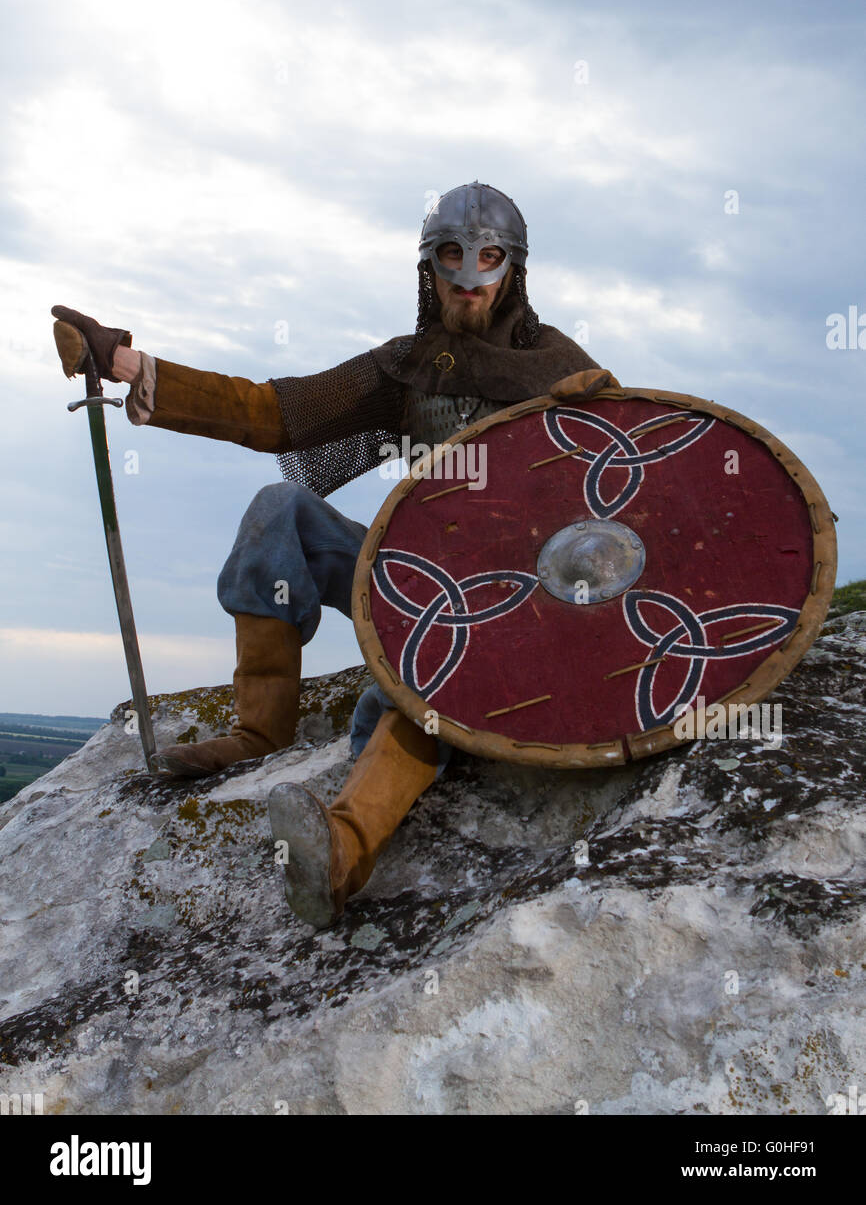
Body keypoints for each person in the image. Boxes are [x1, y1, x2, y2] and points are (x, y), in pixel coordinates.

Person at [52, 182, 617, 927]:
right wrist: (123, 362)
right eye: (452, 257)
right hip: (411, 574)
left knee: (419, 686)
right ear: (429, 267)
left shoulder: (563, 370)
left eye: (488, 258)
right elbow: (273, 411)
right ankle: (262, 730)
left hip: (510, 613)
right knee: (276, 510)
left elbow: (636, 481)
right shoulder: (407, 366)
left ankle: (342, 852)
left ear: (513, 268)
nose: (470, 277)